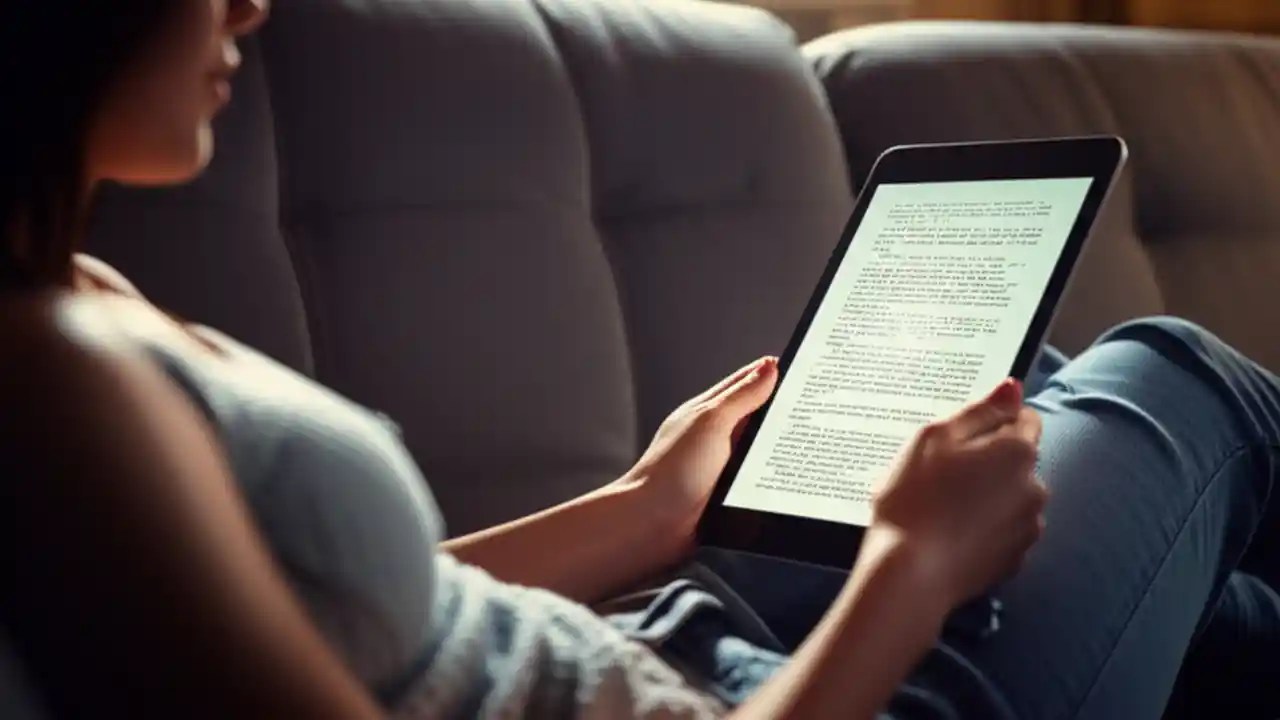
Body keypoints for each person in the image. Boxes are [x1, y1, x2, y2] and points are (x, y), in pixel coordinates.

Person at [0, 2, 1276, 718]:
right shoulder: (54, 380)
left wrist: (641, 513)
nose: (248, 5)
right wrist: (909, 566)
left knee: (1040, 404)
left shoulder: (79, 296)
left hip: (663, 646)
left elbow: (347, 612)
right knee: (1172, 372)